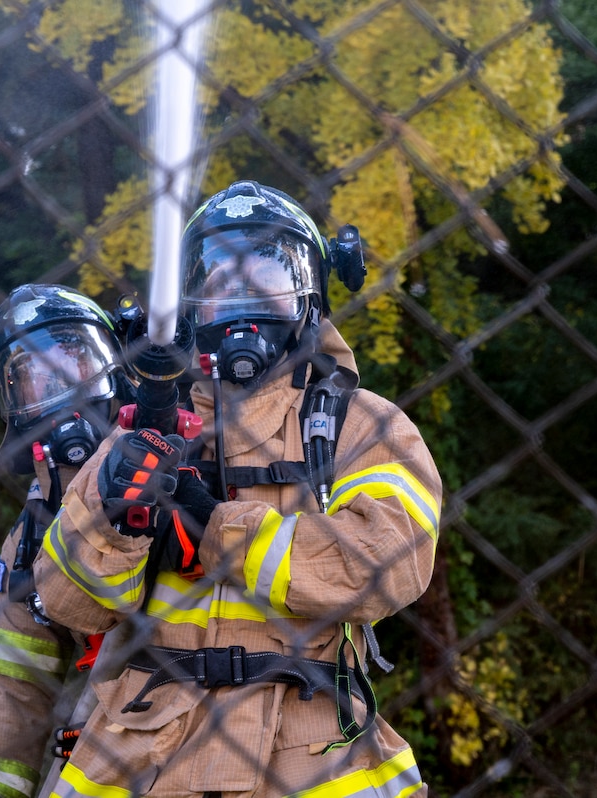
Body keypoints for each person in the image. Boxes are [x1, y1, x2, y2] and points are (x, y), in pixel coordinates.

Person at [32, 180, 444, 797]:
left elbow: (388, 567)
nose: (243, 298)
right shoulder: (144, 429)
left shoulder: (362, 425)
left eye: (266, 277)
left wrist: (216, 524)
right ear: (190, 307)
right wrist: (115, 520)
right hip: (141, 752)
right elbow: (69, 604)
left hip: (309, 755)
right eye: (221, 281)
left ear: (308, 298)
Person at [0, 284, 135, 798]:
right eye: (34, 378)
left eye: (76, 357)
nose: (62, 384)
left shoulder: (189, 455)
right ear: (13, 408)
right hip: (117, 752)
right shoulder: (30, 538)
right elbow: (10, 694)